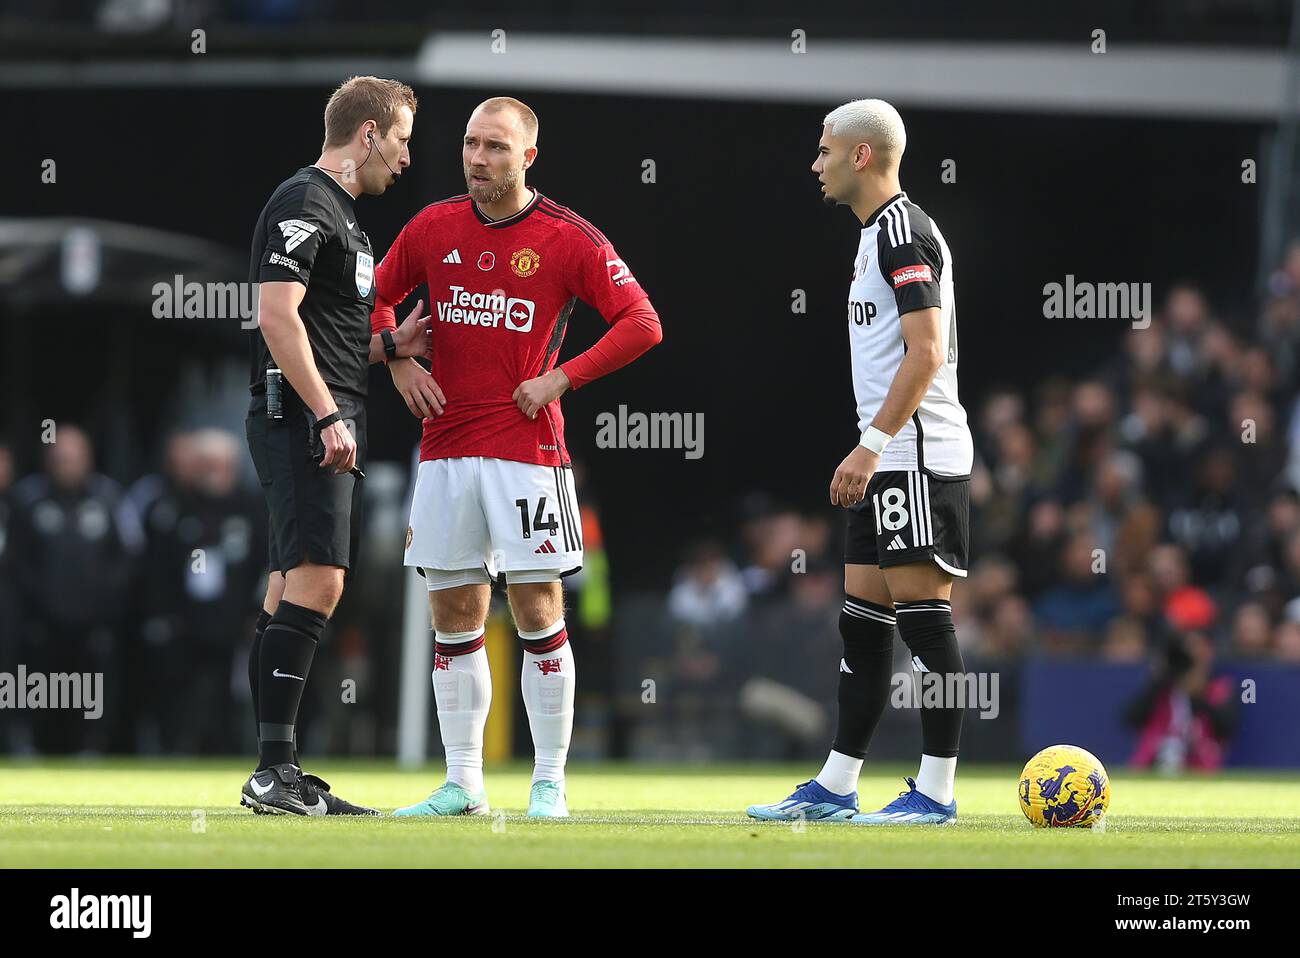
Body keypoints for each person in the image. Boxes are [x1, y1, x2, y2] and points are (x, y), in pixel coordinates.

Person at [373, 96, 662, 818]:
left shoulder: (567, 238)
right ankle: (463, 783)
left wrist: (563, 377)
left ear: (528, 157)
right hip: (443, 450)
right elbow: (372, 298)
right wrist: (397, 362)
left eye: (496, 147)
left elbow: (642, 322)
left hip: (528, 452)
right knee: (454, 614)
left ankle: (548, 782)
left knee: (537, 608)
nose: (478, 158)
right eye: (471, 144)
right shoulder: (432, 225)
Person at [748, 98, 973, 825]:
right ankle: (838, 784)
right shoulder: (875, 235)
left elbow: (928, 352)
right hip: (890, 458)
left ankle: (936, 792)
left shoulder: (903, 232)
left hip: (914, 453)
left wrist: (871, 445)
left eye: (824, 151)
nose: (816, 165)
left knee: (925, 622)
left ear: (862, 156)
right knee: (863, 624)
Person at [241, 76, 430, 815]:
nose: (409, 159)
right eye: (405, 140)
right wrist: (326, 415)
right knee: (320, 582)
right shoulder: (305, 200)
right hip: (299, 418)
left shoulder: (343, 215)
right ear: (370, 134)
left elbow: (323, 330)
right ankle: (272, 773)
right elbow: (276, 316)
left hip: (310, 412)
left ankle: (277, 769)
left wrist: (386, 344)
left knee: (291, 585)